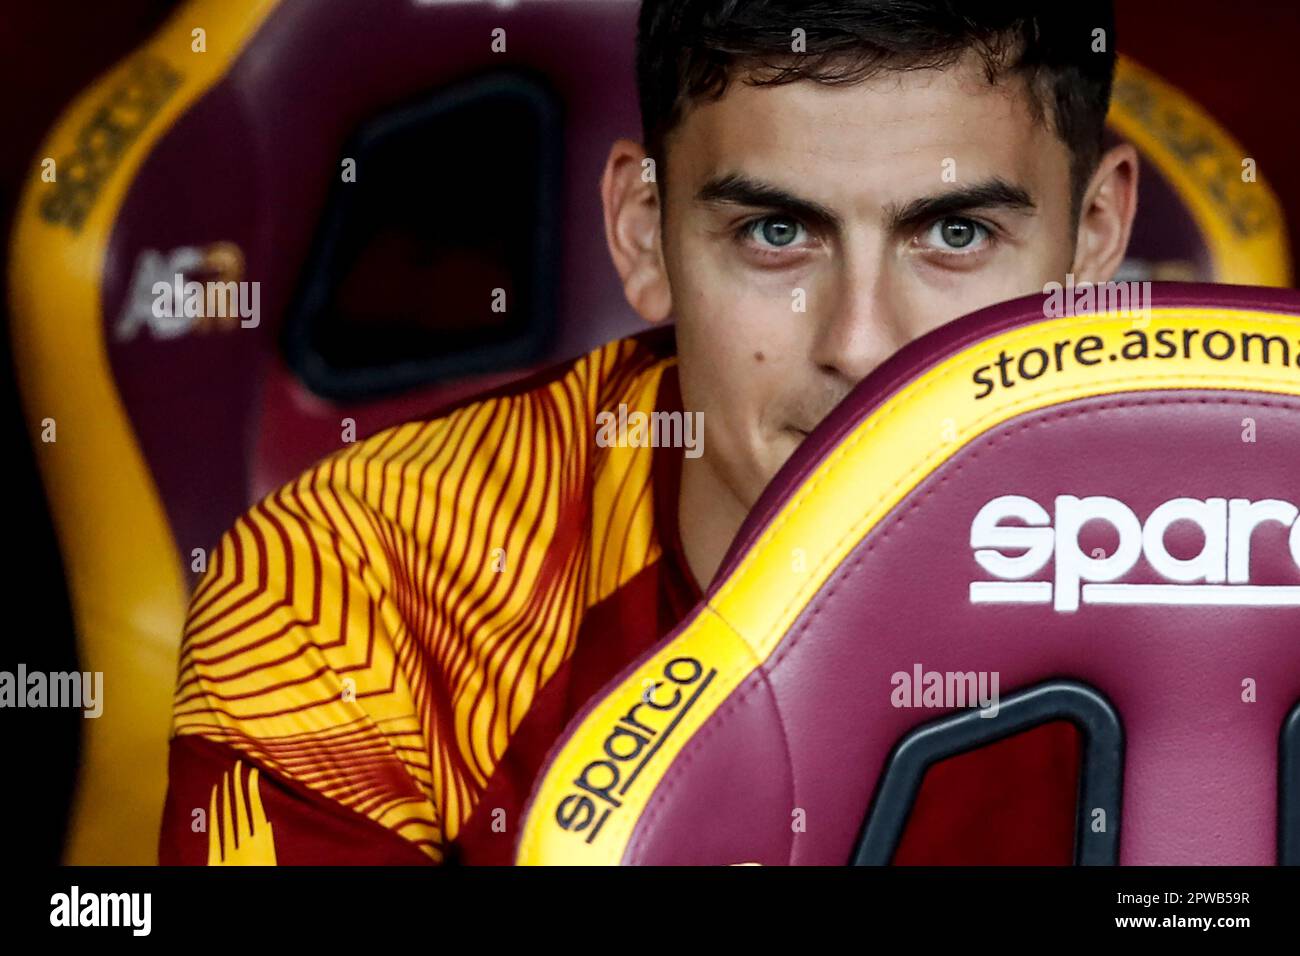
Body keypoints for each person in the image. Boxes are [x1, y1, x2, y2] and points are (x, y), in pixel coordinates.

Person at [159, 0, 1137, 864]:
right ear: (642, 230)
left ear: (1093, 236)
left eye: (954, 234)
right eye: (776, 232)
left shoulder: (1270, 548)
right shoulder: (355, 580)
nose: (860, 345)